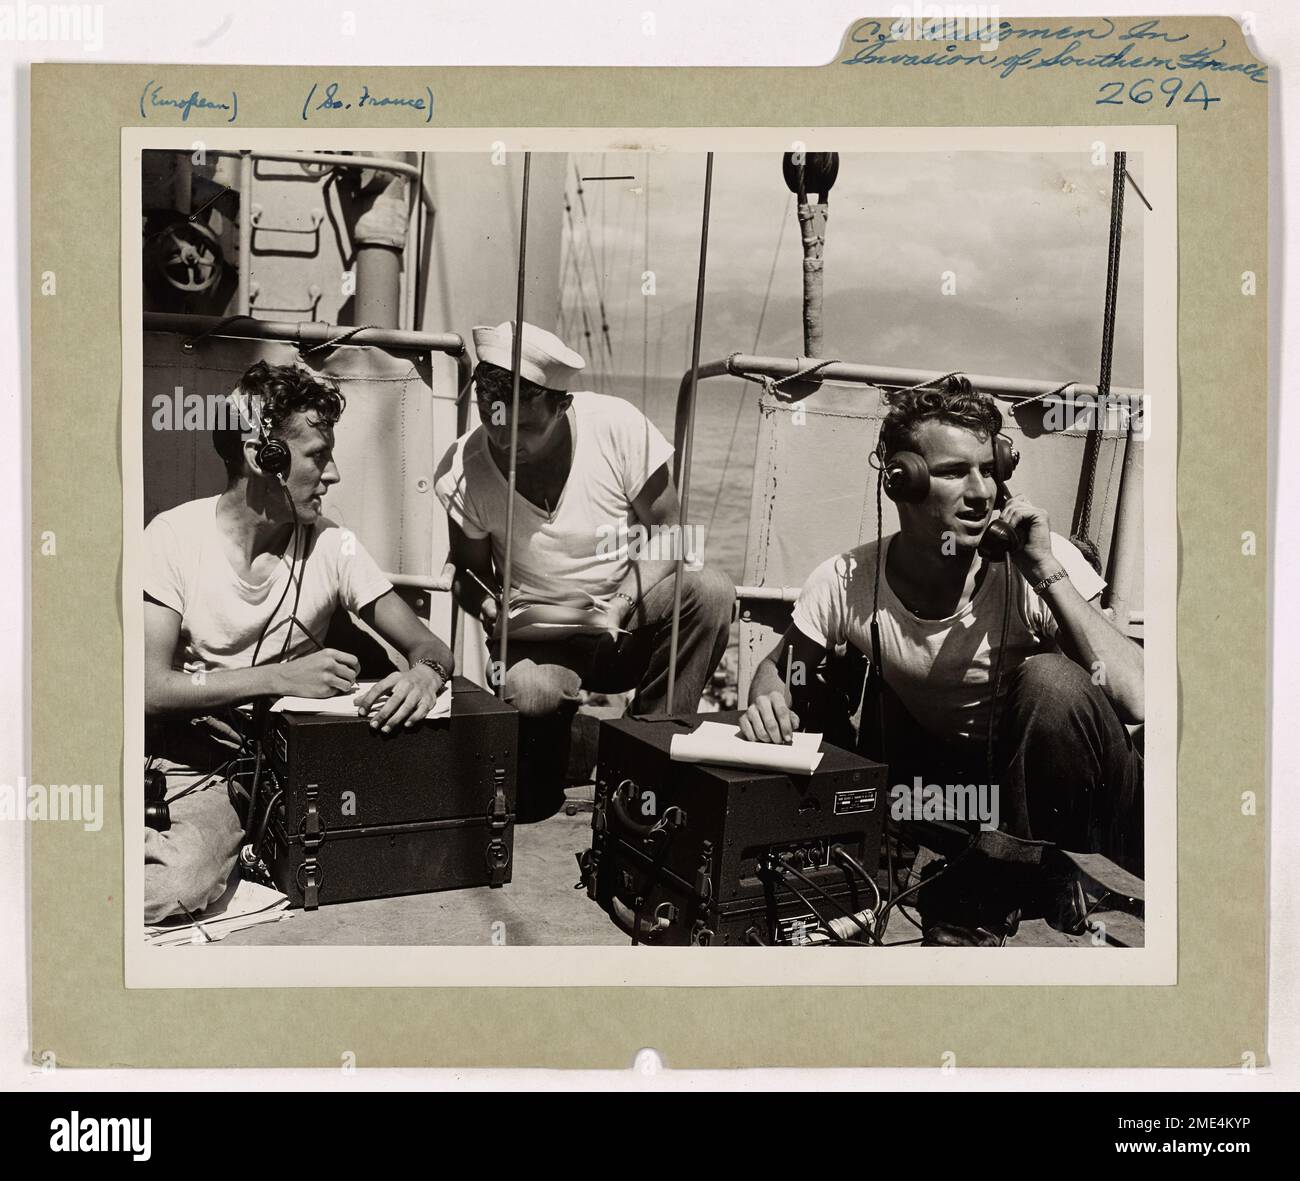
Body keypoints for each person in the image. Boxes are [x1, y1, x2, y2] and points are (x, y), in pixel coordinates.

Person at [739, 377, 1144, 944]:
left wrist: (1047, 572)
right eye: (955, 472)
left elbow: (1138, 697)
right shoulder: (845, 581)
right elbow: (783, 670)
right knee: (861, 688)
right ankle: (1013, 873)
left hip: (1091, 799)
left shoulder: (1043, 568)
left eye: (989, 468)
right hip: (971, 795)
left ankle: (998, 889)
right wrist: (769, 697)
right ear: (901, 481)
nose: (980, 491)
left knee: (1050, 681)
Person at [143, 360, 456, 923]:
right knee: (154, 882)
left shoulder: (336, 547)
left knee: (179, 880)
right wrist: (276, 678)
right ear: (264, 457)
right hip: (190, 756)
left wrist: (424, 676)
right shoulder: (172, 537)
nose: (333, 474)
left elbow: (431, 646)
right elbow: (147, 687)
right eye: (318, 454)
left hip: (274, 769)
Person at [435, 321, 735, 819]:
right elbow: (466, 572)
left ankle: (649, 748)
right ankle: (572, 742)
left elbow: (674, 534)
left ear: (562, 405)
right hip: (537, 634)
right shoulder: (464, 467)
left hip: (626, 618)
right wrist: (491, 607)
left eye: (526, 429)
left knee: (710, 591)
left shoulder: (618, 427)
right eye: (494, 425)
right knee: (528, 792)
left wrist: (619, 603)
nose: (509, 444)